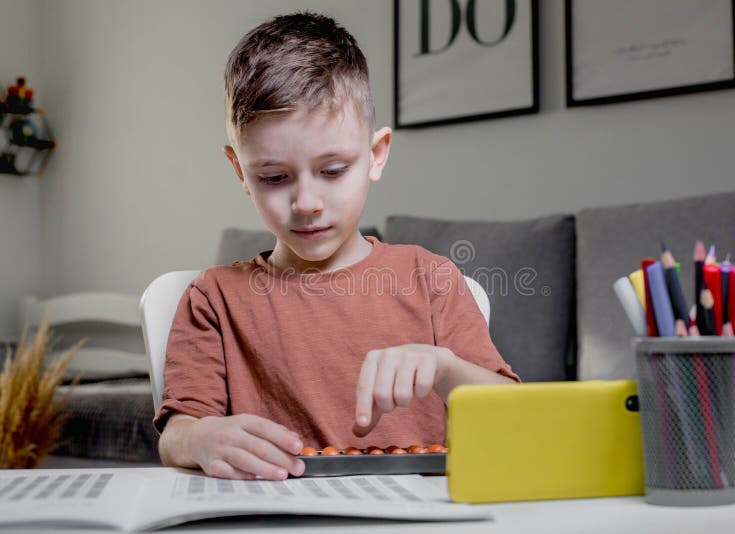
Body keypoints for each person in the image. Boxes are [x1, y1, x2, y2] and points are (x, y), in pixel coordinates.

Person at [154, 11, 519, 481]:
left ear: (376, 154)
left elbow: (513, 415)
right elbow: (176, 434)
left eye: (332, 171)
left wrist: (446, 369)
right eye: (274, 177)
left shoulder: (430, 279)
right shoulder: (215, 298)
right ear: (240, 171)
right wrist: (200, 438)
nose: (306, 203)